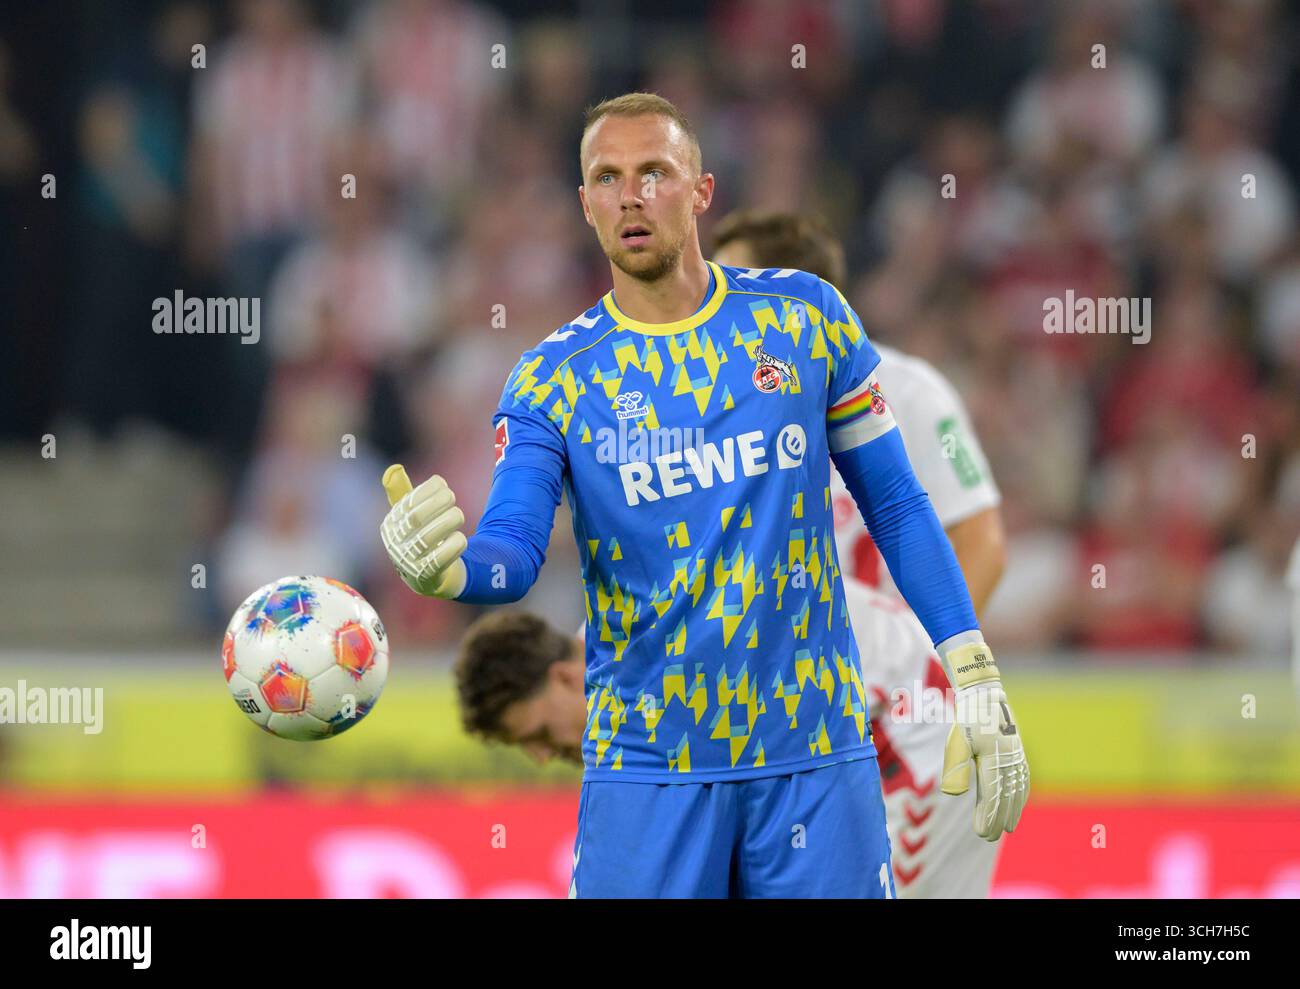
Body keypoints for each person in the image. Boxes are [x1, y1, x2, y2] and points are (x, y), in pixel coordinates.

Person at [380, 92, 1028, 898]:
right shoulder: (553, 377)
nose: (632, 195)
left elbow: (896, 505)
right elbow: (510, 552)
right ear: (585, 204)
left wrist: (972, 668)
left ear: (700, 190)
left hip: (815, 754)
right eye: (607, 178)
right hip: (647, 766)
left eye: (654, 171)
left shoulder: (805, 319)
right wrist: (449, 573)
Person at [456, 578, 1001, 898]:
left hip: (922, 749)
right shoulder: (630, 658)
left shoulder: (645, 668)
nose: (543, 756)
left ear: (565, 677)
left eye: (541, 734)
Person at [710, 210, 1007, 614]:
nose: (711, 307)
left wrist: (927, 660)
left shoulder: (912, 394)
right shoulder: (713, 406)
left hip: (876, 665)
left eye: (734, 288)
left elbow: (980, 540)